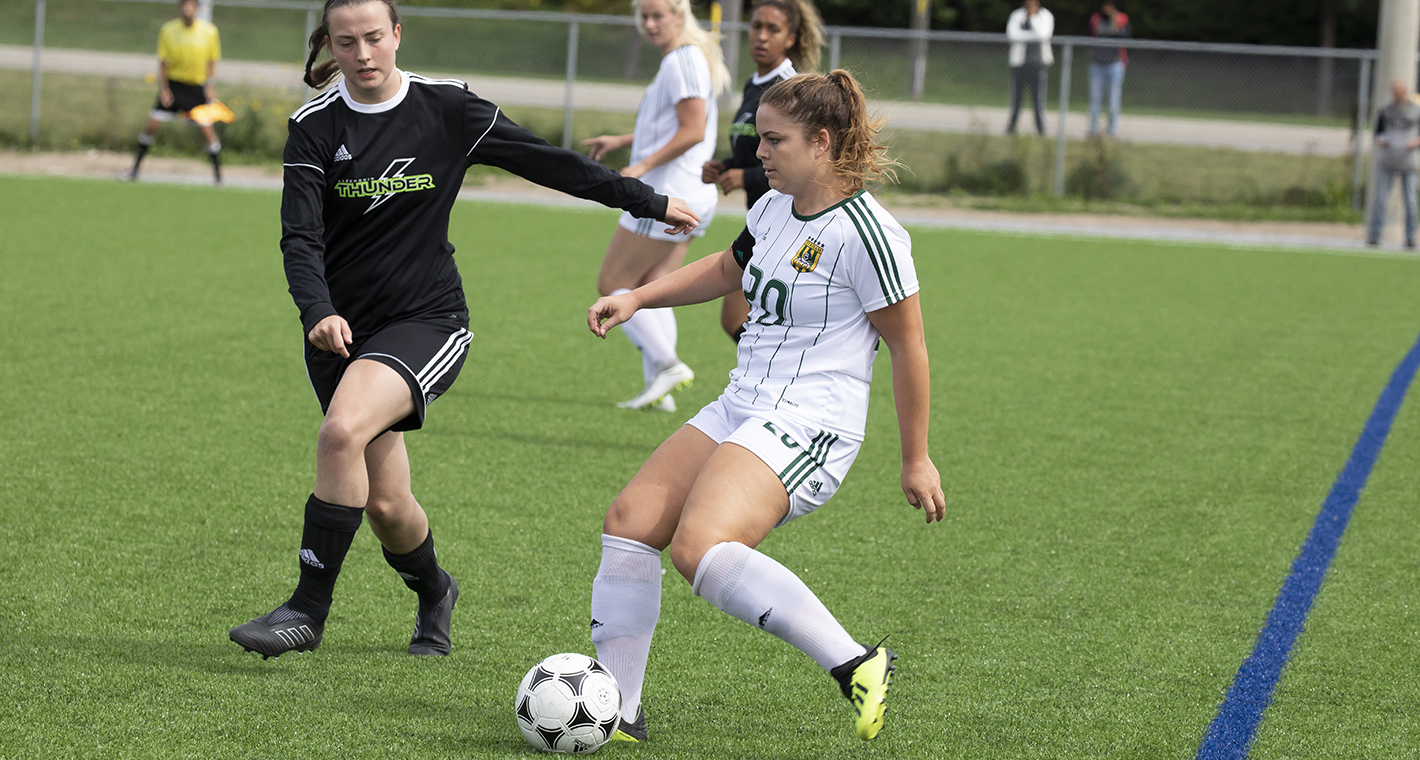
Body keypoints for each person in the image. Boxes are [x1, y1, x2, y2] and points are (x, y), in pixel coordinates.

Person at [227, 0, 700, 660]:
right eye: (345, 42)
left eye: (373, 37)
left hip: (427, 320)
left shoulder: (447, 108)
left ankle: (306, 611)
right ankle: (434, 591)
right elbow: (300, 239)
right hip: (339, 333)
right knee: (387, 505)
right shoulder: (314, 127)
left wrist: (646, 200)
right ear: (328, 47)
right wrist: (318, 312)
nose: (361, 54)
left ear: (397, 35)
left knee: (339, 432)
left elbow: (548, 161)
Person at [585, 70, 946, 743]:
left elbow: (910, 347)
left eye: (775, 141)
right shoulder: (775, 206)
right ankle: (621, 709)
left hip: (812, 421)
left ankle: (857, 664)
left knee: (700, 548)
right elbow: (729, 268)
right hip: (742, 403)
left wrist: (916, 458)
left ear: (822, 142)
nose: (761, 153)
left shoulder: (869, 234)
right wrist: (638, 297)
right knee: (630, 522)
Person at [581, 0, 732, 411]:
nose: (649, 24)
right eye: (643, 16)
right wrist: (624, 142)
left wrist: (642, 166)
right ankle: (659, 386)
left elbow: (693, 130)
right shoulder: (684, 59)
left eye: (657, 15)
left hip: (667, 193)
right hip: (690, 193)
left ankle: (667, 365)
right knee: (652, 285)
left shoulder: (682, 60)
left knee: (613, 280)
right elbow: (669, 124)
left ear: (680, 16)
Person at [702, 0, 824, 342]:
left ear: (791, 39)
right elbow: (755, 150)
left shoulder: (789, 87)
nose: (761, 36)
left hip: (791, 217)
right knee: (736, 320)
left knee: (752, 320)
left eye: (773, 29)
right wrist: (726, 167)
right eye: (756, 26)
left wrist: (746, 177)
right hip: (761, 219)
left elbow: (803, 162)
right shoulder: (754, 83)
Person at [122, 0, 223, 185]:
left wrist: (210, 87)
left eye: (191, 5)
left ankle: (218, 177)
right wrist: (165, 90)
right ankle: (134, 170)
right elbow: (163, 62)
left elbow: (212, 61)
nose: (187, 9)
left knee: (207, 130)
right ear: (180, 8)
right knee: (151, 125)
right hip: (174, 87)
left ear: (197, 9)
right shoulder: (168, 30)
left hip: (195, 88)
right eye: (184, 5)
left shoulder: (209, 32)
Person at [1367, 79, 1420, 248]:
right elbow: (1378, 133)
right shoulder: (1385, 110)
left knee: (1411, 201)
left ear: (1405, 91)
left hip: (1409, 163)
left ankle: (1410, 238)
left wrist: (1413, 143)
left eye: (1399, 92)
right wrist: (1382, 141)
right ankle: (1374, 236)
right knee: (1381, 199)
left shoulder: (1416, 111)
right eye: (1394, 92)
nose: (1396, 95)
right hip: (1388, 161)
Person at [1005, 0, 1053, 136]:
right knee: (1016, 99)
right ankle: (1011, 126)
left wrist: (1032, 17)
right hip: (1019, 63)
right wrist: (1033, 36)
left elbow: (1043, 35)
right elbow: (1012, 35)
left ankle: (1040, 128)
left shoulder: (1045, 16)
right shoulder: (1017, 15)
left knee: (1038, 99)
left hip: (1038, 64)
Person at [1087, 1, 1129, 138]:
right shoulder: (1096, 18)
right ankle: (1093, 131)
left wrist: (1114, 20)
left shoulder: (1122, 18)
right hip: (1097, 64)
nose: (1108, 8)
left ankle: (1112, 131)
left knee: (1113, 100)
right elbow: (1094, 34)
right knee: (1095, 99)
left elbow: (1124, 36)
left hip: (1115, 64)